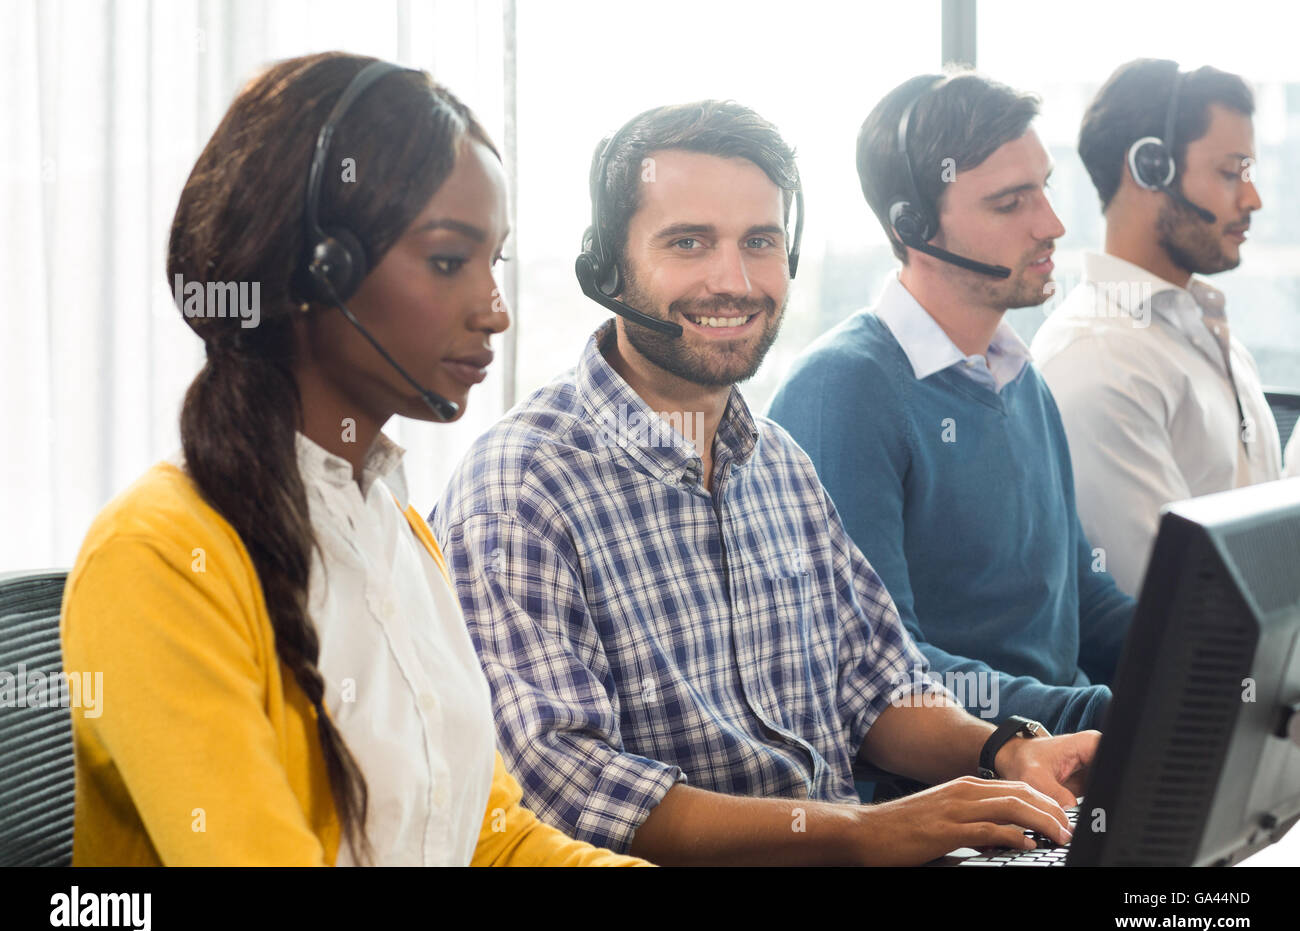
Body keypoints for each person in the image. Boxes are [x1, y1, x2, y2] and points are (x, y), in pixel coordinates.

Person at [432, 99, 1097, 867]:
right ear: (607, 268)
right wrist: (865, 833)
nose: (735, 280)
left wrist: (1008, 751)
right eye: (689, 243)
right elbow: (574, 794)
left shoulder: (777, 462)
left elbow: (879, 689)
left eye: (760, 242)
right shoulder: (520, 489)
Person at [60, 52, 644, 867]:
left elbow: (491, 840)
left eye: (496, 263)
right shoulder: (158, 557)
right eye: (450, 261)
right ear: (315, 268)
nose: (495, 311)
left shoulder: (393, 528)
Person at [767, 73, 1133, 736]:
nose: (1051, 225)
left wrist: (1212, 663)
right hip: (956, 778)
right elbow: (877, 668)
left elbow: (1082, 599)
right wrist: (1090, 717)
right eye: (1010, 203)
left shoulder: (1019, 377)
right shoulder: (843, 392)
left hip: (1058, 757)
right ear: (914, 226)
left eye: (1044, 188)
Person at [1031, 60, 1281, 595]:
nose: (1253, 199)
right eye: (1231, 173)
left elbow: (1267, 550)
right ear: (1149, 168)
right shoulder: (1097, 360)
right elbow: (1170, 603)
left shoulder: (1209, 336)